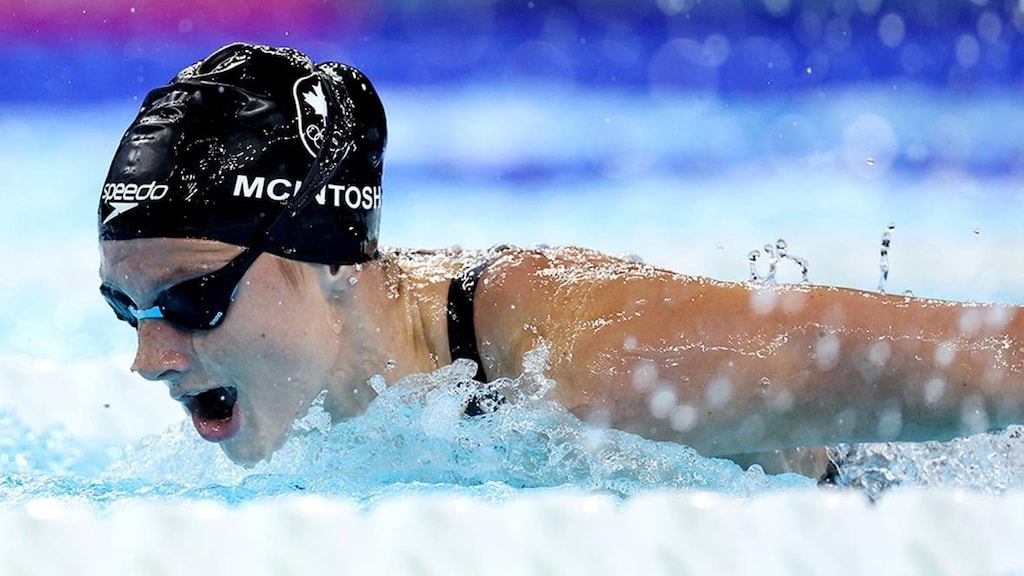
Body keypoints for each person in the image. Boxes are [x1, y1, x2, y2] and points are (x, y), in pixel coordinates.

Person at [98, 43, 1024, 476]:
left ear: (335, 258)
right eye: (126, 310)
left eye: (191, 298)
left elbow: (1001, 358)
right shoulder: (347, 392)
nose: (151, 358)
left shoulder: (582, 360)